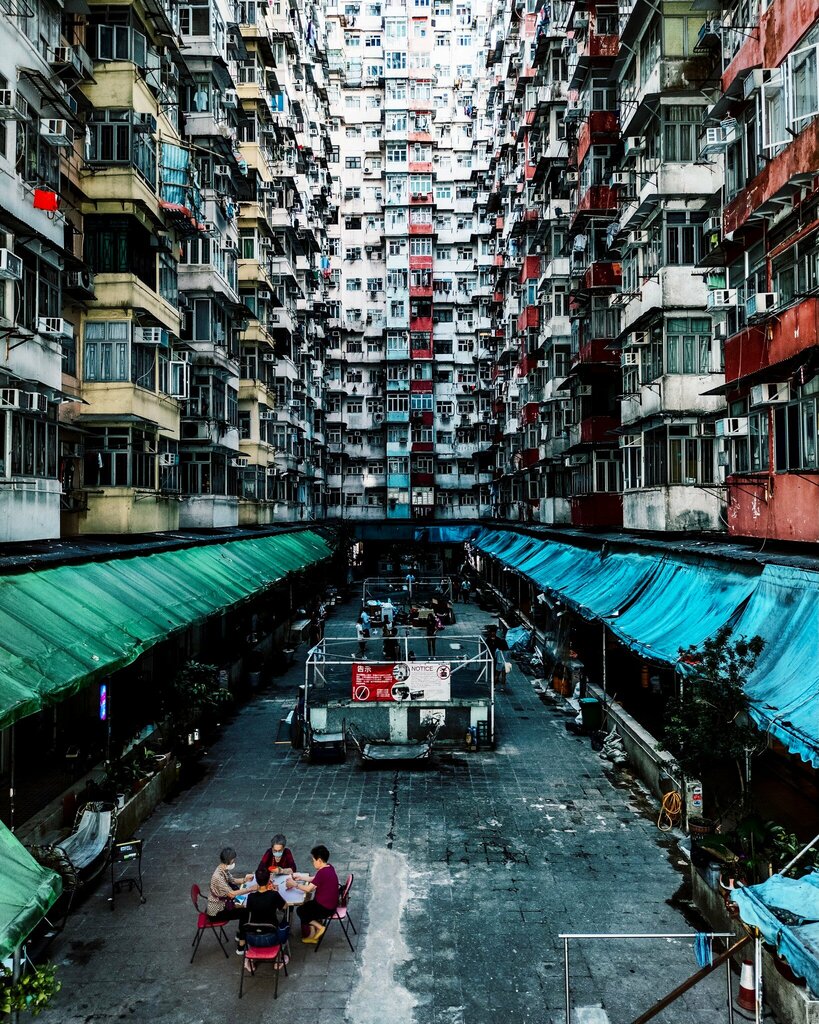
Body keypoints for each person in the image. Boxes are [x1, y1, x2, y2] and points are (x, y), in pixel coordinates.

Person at [289, 844, 339, 943]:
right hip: (331, 904)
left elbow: (308, 889)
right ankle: (312, 935)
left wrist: (295, 884)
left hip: (325, 908)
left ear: (319, 860)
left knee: (300, 911)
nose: (313, 862)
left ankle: (320, 927)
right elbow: (316, 879)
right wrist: (301, 877)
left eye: (313, 860)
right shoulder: (329, 867)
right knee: (307, 907)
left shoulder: (321, 873)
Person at [236, 867, 287, 963]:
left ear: (257, 881)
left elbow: (250, 909)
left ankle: (249, 960)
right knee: (285, 922)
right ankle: (280, 957)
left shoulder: (251, 897)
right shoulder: (274, 895)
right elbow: (285, 906)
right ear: (269, 880)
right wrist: (276, 892)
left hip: (252, 939)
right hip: (271, 938)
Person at [206, 847, 256, 935]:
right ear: (227, 862)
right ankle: (241, 936)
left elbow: (232, 880)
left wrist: (245, 879)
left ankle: (243, 933)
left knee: (244, 904)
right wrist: (250, 889)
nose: (234, 863)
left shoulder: (223, 869)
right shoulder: (218, 877)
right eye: (233, 862)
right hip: (217, 911)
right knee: (245, 911)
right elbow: (231, 894)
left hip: (223, 901)